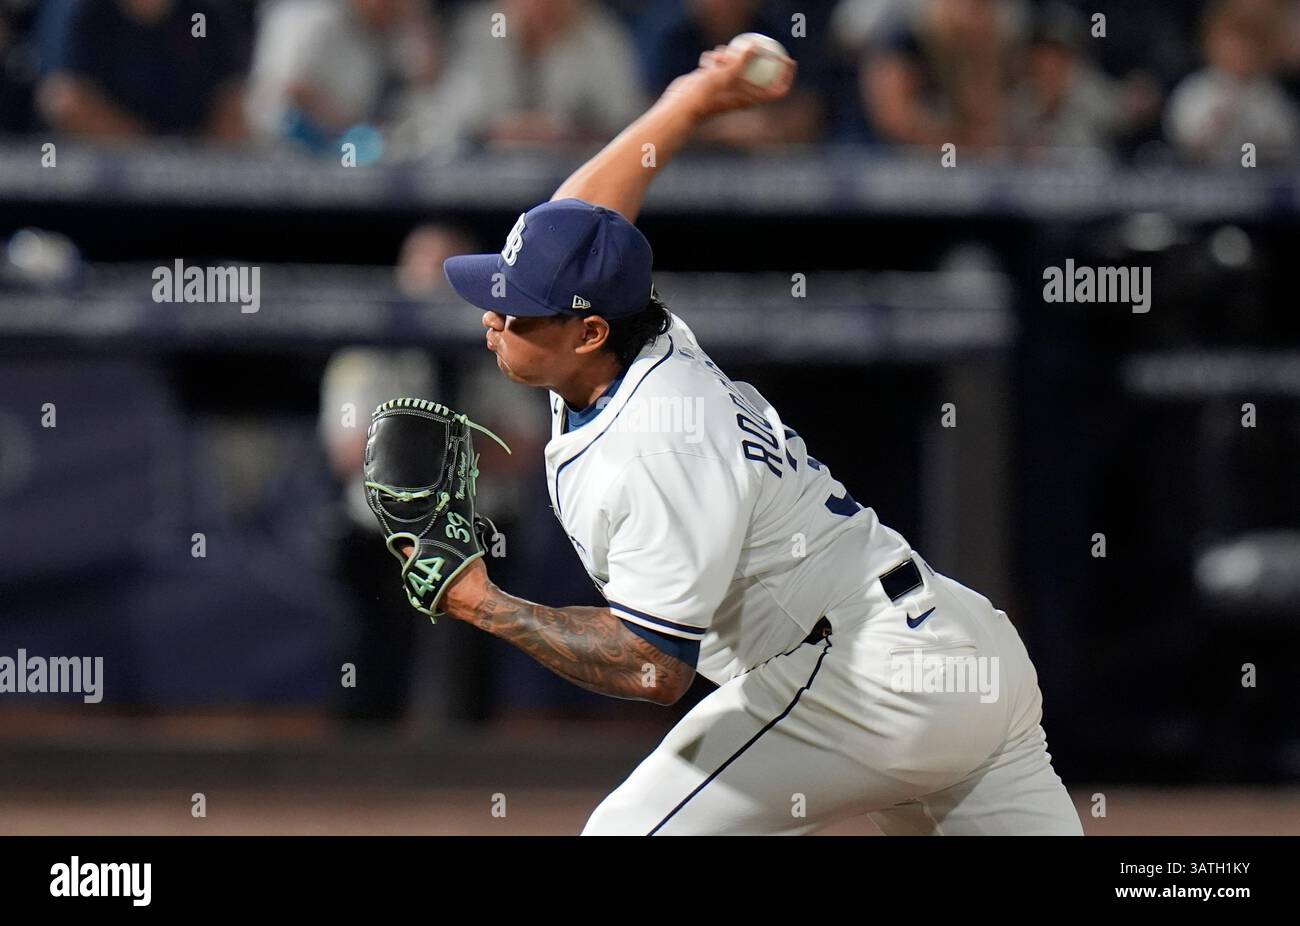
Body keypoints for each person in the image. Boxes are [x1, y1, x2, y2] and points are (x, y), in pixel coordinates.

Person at [423, 43, 1082, 835]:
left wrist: (481, 603)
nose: (492, 316)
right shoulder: (636, 335)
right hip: (963, 653)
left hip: (866, 678)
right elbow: (584, 217)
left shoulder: (658, 439)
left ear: (589, 330)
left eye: (517, 309)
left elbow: (650, 664)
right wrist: (689, 103)